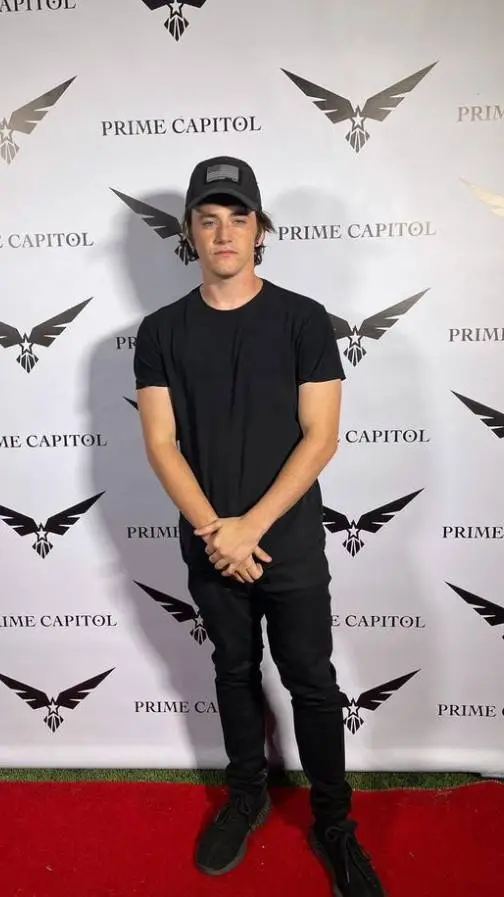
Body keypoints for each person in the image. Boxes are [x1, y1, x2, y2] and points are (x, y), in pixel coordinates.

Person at [133, 156, 385, 896]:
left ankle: (334, 823)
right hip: (212, 545)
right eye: (208, 219)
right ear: (189, 232)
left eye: (237, 218)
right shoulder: (160, 330)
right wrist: (219, 531)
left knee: (312, 681)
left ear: (260, 230)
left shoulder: (303, 318)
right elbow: (160, 443)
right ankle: (246, 795)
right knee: (233, 671)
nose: (223, 233)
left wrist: (251, 527)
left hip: (290, 543)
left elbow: (321, 436)